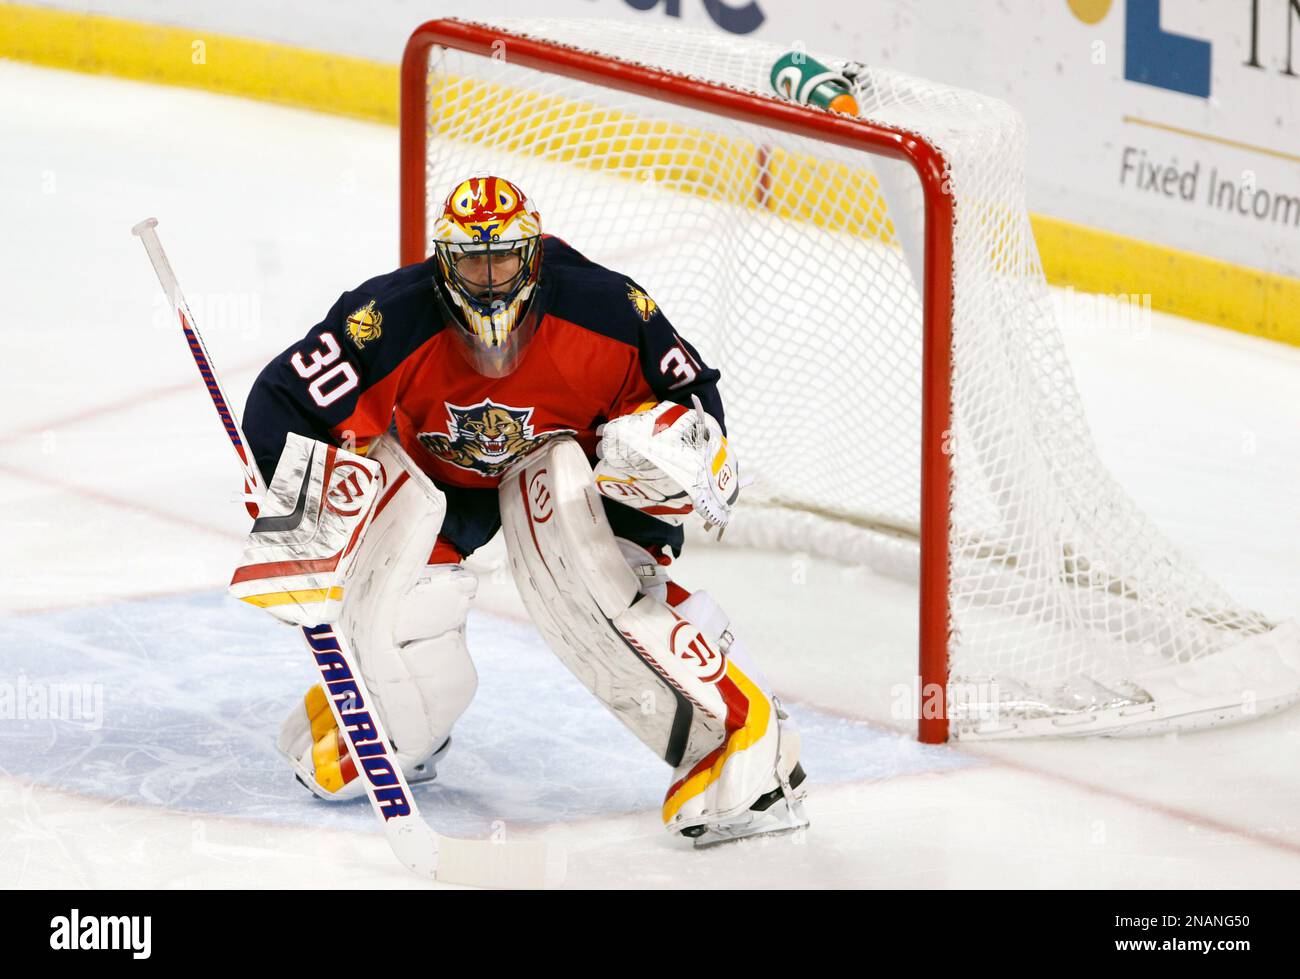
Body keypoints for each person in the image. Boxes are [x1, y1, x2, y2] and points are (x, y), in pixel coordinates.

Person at [243, 175, 806, 846]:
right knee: (406, 628)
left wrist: (680, 455)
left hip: (574, 477)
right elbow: (283, 399)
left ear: (533, 255)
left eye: (502, 257)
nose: (487, 278)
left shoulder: (608, 308)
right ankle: (399, 728)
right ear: (444, 260)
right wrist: (299, 511)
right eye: (471, 260)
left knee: (607, 589)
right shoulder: (388, 317)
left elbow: (690, 397)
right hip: (440, 481)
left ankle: (752, 744)